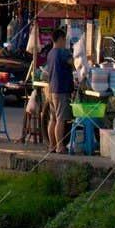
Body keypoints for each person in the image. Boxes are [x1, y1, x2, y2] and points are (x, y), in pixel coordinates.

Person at [44, 25, 75, 153]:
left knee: (53, 119)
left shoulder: (50, 53)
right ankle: (60, 146)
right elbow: (73, 63)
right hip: (61, 90)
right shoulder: (62, 52)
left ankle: (52, 145)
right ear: (61, 39)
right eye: (64, 39)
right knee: (61, 119)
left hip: (51, 90)